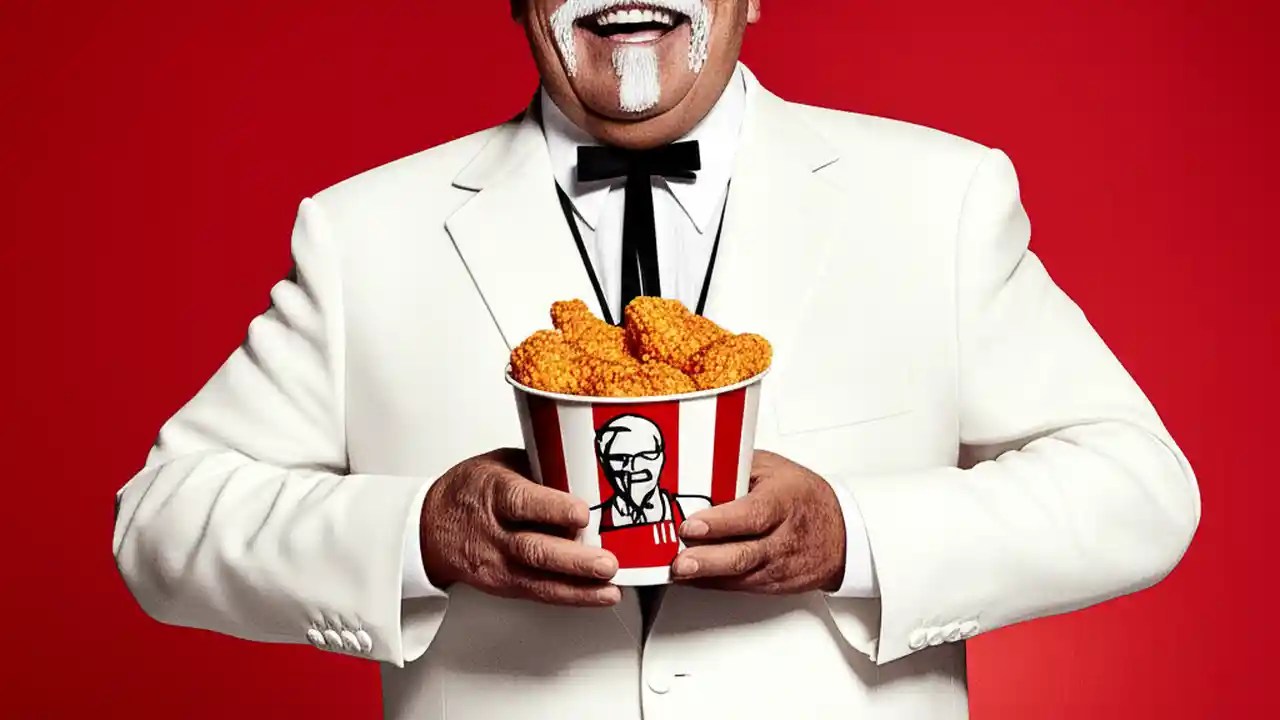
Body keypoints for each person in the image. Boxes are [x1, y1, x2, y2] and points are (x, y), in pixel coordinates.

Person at [111, 1, 1200, 718]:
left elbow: (1138, 490)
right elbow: (160, 521)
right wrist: (418, 536)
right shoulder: (362, 233)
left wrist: (852, 538)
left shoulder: (937, 197)